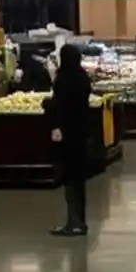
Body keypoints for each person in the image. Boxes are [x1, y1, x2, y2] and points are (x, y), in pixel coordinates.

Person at [46, 43, 92, 236]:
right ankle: (80, 220)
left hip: (66, 134)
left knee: (69, 178)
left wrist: (49, 109)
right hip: (81, 133)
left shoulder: (64, 78)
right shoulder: (83, 77)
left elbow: (60, 104)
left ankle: (73, 222)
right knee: (79, 180)